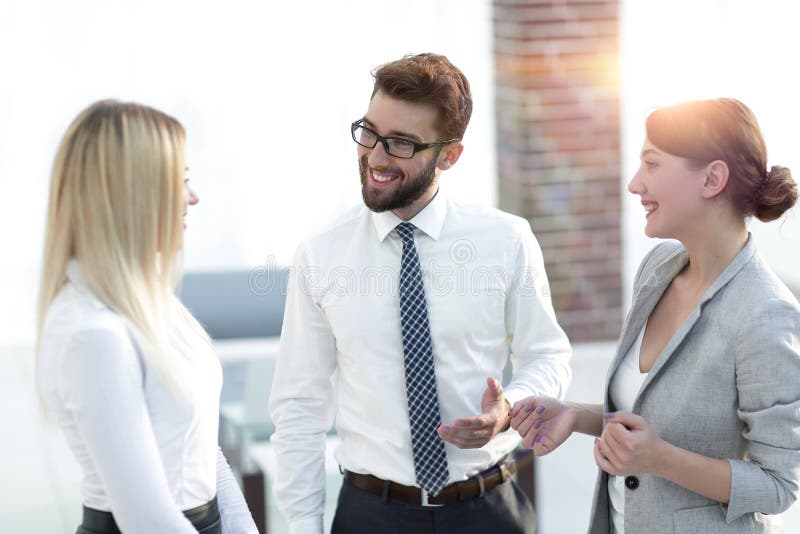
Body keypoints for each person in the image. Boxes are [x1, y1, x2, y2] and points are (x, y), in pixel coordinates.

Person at [268, 53, 572, 534]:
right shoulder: (321, 253)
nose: (376, 156)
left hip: (490, 511)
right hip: (370, 514)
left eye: (401, 144)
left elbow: (548, 356)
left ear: (449, 155)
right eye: (368, 132)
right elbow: (299, 405)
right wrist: (303, 525)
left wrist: (509, 407)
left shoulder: (507, 240)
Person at [509, 98, 800, 533]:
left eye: (652, 164)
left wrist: (661, 460)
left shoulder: (765, 314)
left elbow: (778, 485)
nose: (633, 183)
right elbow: (648, 416)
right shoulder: (659, 268)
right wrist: (574, 415)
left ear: (712, 179)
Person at [36, 100, 259, 534]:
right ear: (133, 192)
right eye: (179, 181)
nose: (192, 196)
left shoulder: (153, 304)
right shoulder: (93, 333)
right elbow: (147, 520)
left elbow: (203, 452)